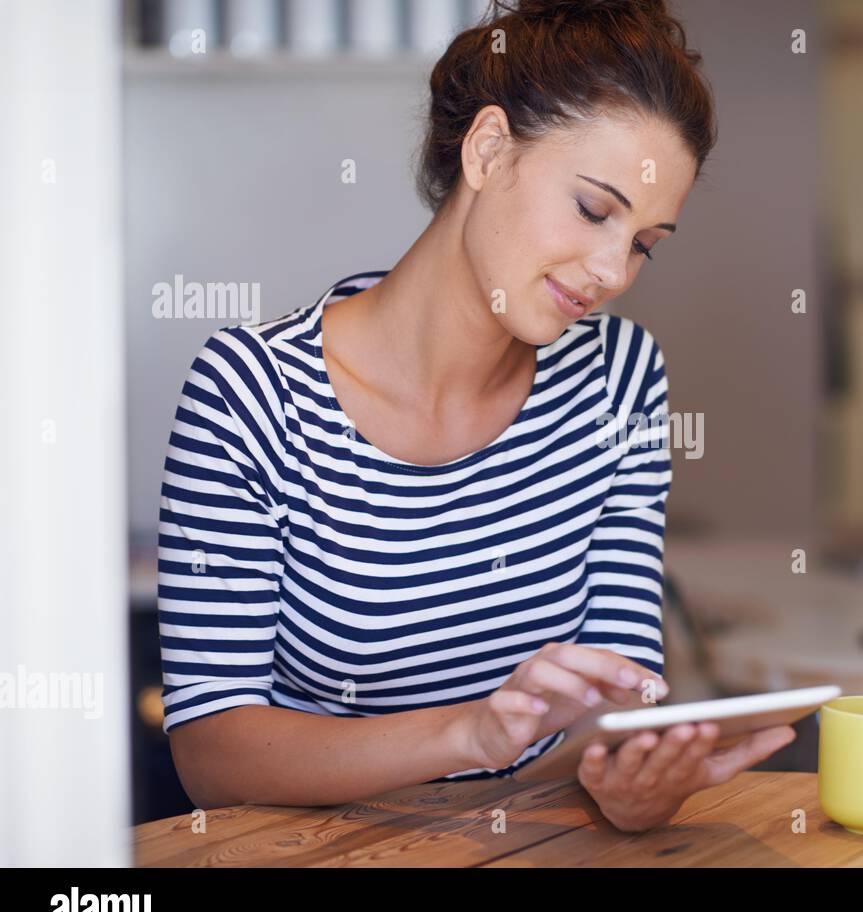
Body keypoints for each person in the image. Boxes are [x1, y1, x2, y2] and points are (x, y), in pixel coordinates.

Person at [157, 0, 794, 834]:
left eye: (645, 242)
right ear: (489, 150)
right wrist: (471, 733)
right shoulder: (250, 394)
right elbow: (211, 754)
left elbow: (614, 694)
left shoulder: (622, 381)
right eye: (595, 209)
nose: (611, 270)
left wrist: (630, 780)